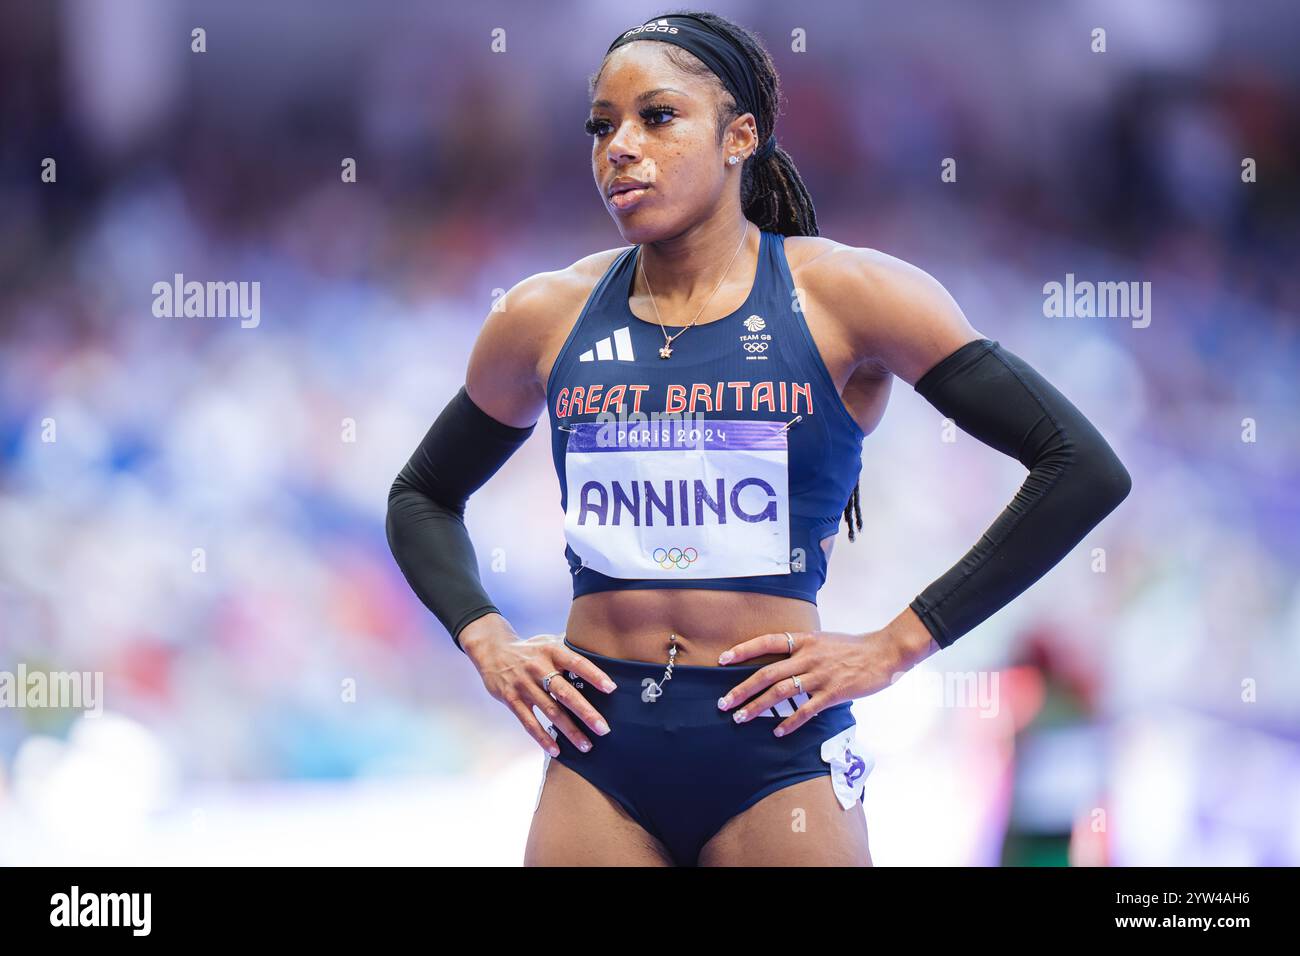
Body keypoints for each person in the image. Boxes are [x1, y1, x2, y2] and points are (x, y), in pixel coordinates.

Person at [386, 11, 1131, 866]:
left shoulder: (852, 296)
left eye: (657, 117)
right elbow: (422, 496)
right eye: (601, 125)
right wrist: (484, 637)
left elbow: (1080, 465)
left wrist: (895, 645)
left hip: (774, 748)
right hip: (599, 745)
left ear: (741, 134)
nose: (619, 146)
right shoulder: (542, 317)